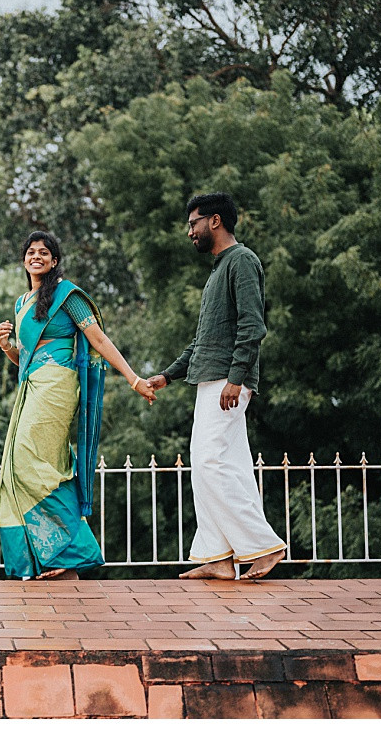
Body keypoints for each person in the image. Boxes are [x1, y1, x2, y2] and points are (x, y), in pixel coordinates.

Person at [0, 231, 156, 580]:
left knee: (31, 462)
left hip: (57, 386)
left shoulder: (68, 296)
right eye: (31, 252)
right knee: (18, 467)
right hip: (32, 385)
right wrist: (7, 346)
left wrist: (133, 379)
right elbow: (24, 360)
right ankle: (50, 560)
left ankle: (72, 552)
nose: (36, 256)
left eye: (44, 252)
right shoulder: (23, 302)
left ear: (54, 261)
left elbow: (98, 338)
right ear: (24, 259)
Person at [147, 193, 287, 581]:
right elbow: (203, 340)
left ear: (215, 221)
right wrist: (168, 375)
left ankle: (265, 545)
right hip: (212, 377)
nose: (189, 230)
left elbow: (252, 326)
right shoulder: (219, 268)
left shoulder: (242, 261)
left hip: (228, 381)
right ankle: (219, 557)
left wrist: (236, 378)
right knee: (230, 466)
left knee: (209, 461)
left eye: (193, 223)